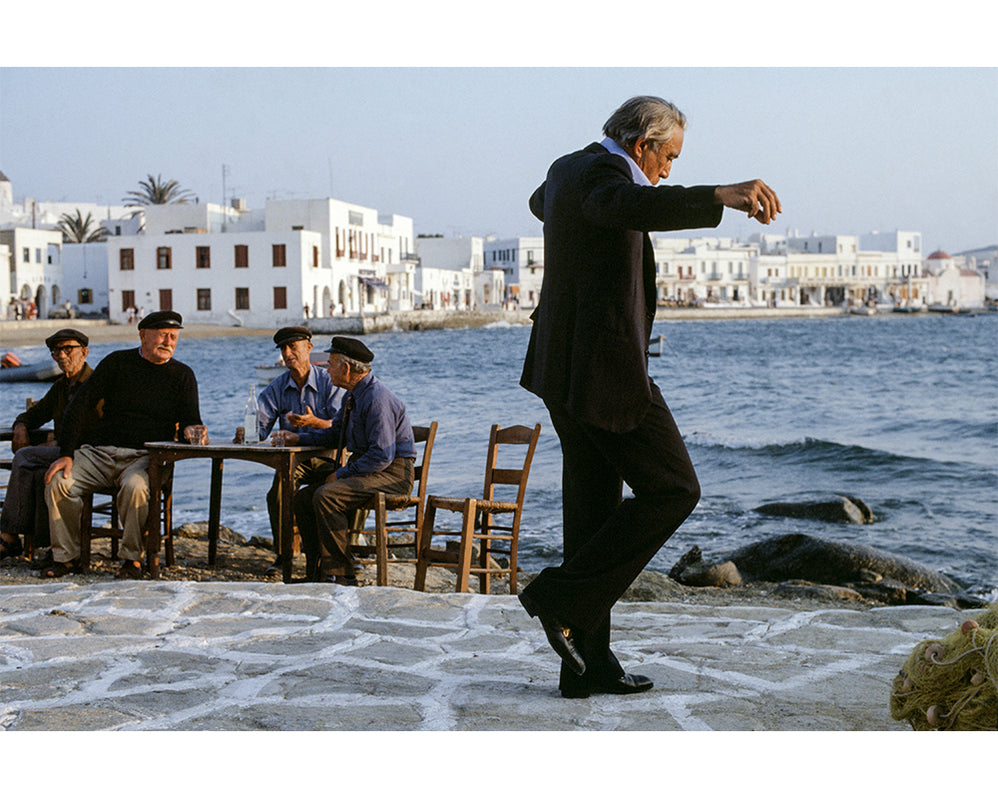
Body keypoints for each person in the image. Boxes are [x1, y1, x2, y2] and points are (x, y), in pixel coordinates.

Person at [517, 96, 781, 698]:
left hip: (560, 370)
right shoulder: (605, 179)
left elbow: (542, 203)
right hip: (605, 369)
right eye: (669, 157)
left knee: (592, 510)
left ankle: (585, 668)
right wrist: (718, 194)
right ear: (642, 146)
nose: (667, 170)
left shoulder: (566, 171)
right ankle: (557, 597)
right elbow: (627, 202)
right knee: (673, 488)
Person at [43, 310, 206, 580]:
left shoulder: (182, 375)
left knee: (135, 487)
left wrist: (193, 431)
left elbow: (191, 421)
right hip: (100, 453)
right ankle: (67, 558)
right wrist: (67, 454)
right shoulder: (117, 362)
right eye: (162, 335)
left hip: (148, 457)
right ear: (142, 335)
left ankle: (132, 561)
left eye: (174, 337)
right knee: (59, 479)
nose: (169, 341)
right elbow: (78, 406)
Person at [273, 337, 416, 585]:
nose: (326, 370)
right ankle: (316, 572)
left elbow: (381, 455)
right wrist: (298, 438)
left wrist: (340, 475)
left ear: (346, 369)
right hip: (372, 469)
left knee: (327, 495)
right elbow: (333, 433)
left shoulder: (376, 398)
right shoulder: (353, 397)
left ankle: (342, 574)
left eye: (330, 365)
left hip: (393, 475)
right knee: (304, 498)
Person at [0, 329, 99, 564]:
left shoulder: (96, 384)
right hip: (64, 453)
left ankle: (9, 536)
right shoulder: (60, 387)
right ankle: (50, 545)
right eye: (56, 351)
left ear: (84, 352)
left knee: (24, 458)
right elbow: (34, 415)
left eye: (68, 349)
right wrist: (21, 427)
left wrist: (61, 442)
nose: (61, 356)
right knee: (36, 473)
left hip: (88, 455)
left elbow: (101, 430)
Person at [257, 326, 345, 575]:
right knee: (277, 494)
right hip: (294, 462)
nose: (287, 353)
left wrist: (312, 424)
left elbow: (342, 427)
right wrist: (248, 431)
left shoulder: (330, 381)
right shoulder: (278, 386)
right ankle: (284, 556)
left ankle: (340, 554)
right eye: (283, 349)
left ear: (309, 348)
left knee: (348, 482)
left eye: (292, 347)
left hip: (329, 458)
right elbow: (260, 425)